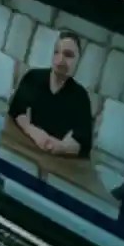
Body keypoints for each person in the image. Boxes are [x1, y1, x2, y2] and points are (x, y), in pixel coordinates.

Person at [6, 30, 93, 158]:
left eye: (68, 55)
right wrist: (33, 131)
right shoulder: (33, 77)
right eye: (57, 52)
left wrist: (62, 147)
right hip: (22, 146)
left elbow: (84, 142)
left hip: (55, 161)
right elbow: (16, 110)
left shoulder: (81, 97)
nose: (60, 60)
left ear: (78, 61)